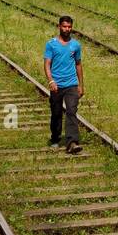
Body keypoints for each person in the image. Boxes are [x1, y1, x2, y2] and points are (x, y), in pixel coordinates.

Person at [44, 15, 84, 153]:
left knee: (71, 111)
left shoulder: (76, 45)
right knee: (56, 113)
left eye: (69, 27)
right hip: (56, 85)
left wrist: (81, 85)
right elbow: (47, 64)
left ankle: (72, 142)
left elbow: (78, 65)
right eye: (64, 26)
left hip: (71, 84)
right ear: (59, 27)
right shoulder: (51, 44)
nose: (67, 29)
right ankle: (55, 138)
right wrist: (51, 80)